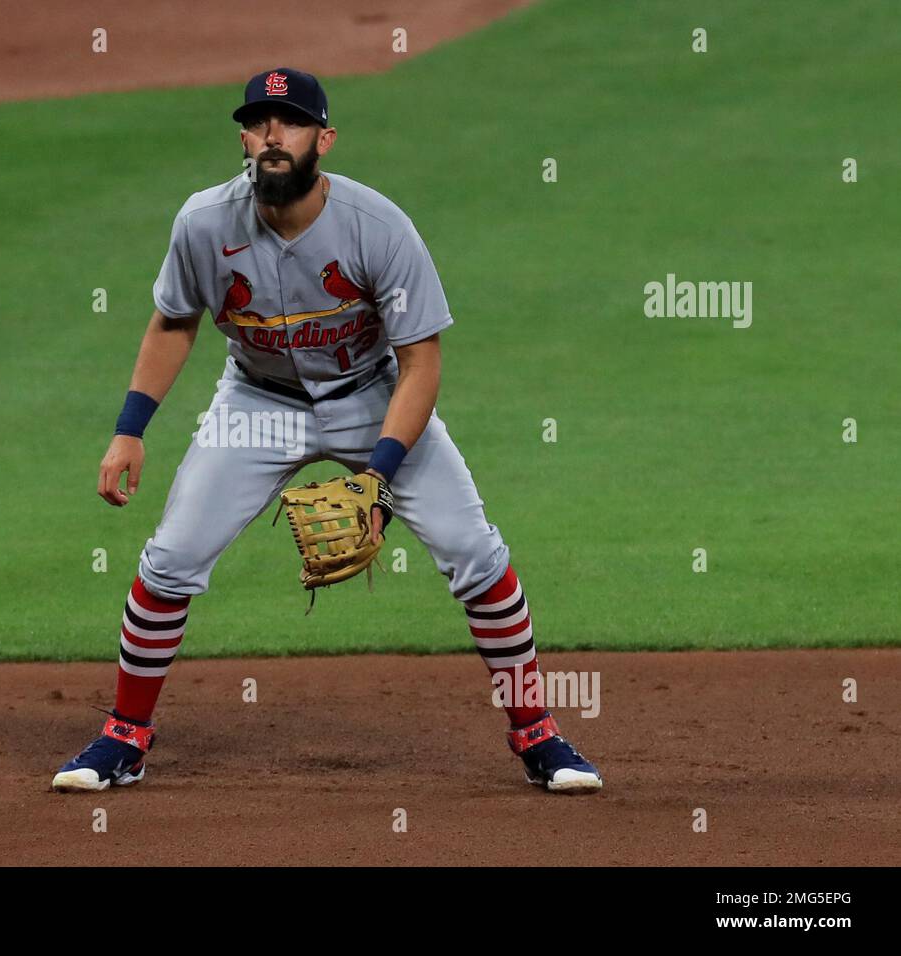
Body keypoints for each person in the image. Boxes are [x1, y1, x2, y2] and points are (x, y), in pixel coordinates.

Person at [53, 68, 602, 794]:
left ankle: (538, 733)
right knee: (170, 560)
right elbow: (175, 320)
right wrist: (130, 429)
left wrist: (377, 474)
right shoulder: (204, 223)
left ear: (325, 138)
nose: (272, 136)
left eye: (291, 122)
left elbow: (421, 364)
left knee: (474, 550)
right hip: (256, 401)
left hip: (372, 395)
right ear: (245, 138)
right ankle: (124, 737)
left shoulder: (379, 228)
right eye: (258, 123)